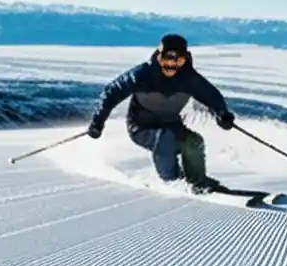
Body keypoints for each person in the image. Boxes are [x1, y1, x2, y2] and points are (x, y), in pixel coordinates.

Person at [87, 34, 235, 192]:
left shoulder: (189, 79)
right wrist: (98, 122)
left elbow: (211, 95)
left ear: (185, 59)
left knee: (193, 142)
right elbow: (112, 92)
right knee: (165, 138)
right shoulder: (142, 75)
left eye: (178, 60)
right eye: (167, 59)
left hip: (172, 125)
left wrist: (222, 114)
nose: (171, 65)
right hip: (141, 128)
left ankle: (197, 181)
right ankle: (173, 182)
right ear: (158, 56)